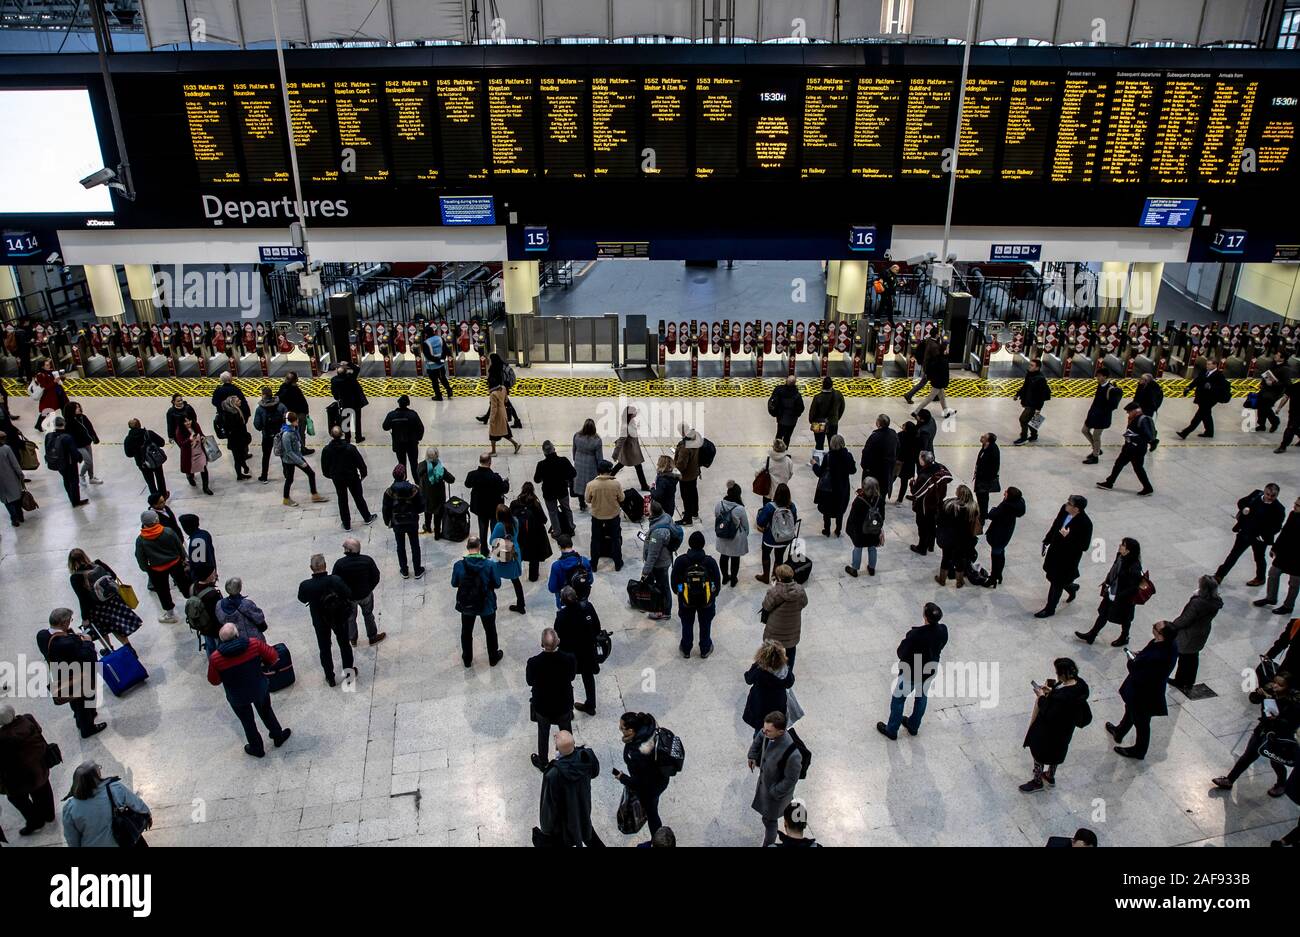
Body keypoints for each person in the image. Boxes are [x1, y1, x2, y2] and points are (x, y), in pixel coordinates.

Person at [207, 623, 292, 758]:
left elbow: (214, 681)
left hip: (237, 696)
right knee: (266, 711)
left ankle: (257, 748)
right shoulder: (254, 644)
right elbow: (274, 657)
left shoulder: (216, 658)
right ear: (237, 634)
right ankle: (277, 735)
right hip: (259, 687)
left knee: (247, 721)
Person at [1212, 671, 1298, 797]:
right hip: (1263, 729)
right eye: (1275, 682)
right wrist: (1258, 694)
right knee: (1248, 756)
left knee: (1276, 761)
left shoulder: (1294, 701)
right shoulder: (1269, 690)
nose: (1274, 686)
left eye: (1280, 685)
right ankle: (1229, 780)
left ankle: (1281, 784)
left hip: (1279, 736)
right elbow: (1254, 700)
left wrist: (1277, 717)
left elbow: (1292, 722)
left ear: (1288, 687)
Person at [1106, 621, 1178, 759]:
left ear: (1161, 634)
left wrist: (1132, 661)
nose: (1153, 627)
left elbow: (1140, 672)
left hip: (1145, 693)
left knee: (1141, 722)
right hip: (1141, 690)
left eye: (1155, 627)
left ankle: (1139, 750)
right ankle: (1120, 731)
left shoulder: (1159, 656)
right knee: (1131, 711)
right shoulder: (1167, 644)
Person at [877, 602, 949, 740]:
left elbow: (901, 652)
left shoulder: (915, 635)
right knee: (922, 697)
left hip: (912, 672)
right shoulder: (943, 630)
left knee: (898, 699)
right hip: (931, 669)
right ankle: (913, 725)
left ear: (925, 616)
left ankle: (892, 730)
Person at [1020, 659, 1091, 793]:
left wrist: (1041, 697)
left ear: (1064, 673)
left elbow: (1049, 712)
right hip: (1064, 732)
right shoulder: (1080, 686)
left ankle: (1037, 781)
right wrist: (1052, 691)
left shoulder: (1063, 698)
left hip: (1048, 733)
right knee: (1056, 755)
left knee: (1039, 754)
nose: (1057, 676)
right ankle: (1050, 775)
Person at [36, 608, 104, 738]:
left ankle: (79, 718)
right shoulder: (69, 643)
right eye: (69, 620)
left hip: (60, 675)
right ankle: (88, 728)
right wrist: (88, 642)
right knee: (86, 700)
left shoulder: (42, 635)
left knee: (74, 700)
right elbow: (90, 657)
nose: (70, 623)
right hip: (79, 675)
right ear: (63, 623)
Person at [296, 553, 355, 687]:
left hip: (319, 620)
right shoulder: (335, 580)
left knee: (324, 648)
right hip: (338, 617)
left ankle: (330, 677)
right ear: (325, 565)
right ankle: (349, 675)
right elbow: (348, 593)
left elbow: (302, 599)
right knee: (344, 645)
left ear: (311, 568)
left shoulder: (306, 585)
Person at [62, 763, 152, 847]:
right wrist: (148, 816)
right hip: (122, 841)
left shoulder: (69, 808)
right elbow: (138, 805)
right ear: (95, 777)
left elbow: (72, 839)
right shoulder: (114, 789)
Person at [537, 729, 602, 847]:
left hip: (564, 818)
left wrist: (545, 829)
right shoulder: (587, 756)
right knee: (587, 830)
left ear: (557, 748)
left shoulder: (553, 774)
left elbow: (549, 803)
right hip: (584, 806)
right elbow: (595, 772)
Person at [748, 711, 803, 847]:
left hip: (775, 797)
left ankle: (768, 845)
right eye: (764, 728)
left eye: (768, 731)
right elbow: (760, 735)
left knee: (770, 822)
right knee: (767, 819)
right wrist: (752, 755)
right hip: (767, 786)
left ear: (780, 732)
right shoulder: (769, 733)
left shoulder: (793, 755)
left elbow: (790, 780)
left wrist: (774, 792)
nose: (764, 732)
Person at [1075, 537, 1143, 646]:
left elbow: (1134, 587)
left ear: (1128, 550)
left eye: (1123, 545)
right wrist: (1108, 582)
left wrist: (1119, 596)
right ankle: (1092, 634)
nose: (1120, 546)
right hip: (1112, 592)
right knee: (1103, 614)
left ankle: (1124, 637)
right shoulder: (1120, 556)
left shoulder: (1134, 567)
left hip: (1123, 598)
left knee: (1125, 619)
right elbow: (1114, 571)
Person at [1035, 495, 1094, 619]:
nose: (1066, 504)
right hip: (1055, 551)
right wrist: (1047, 539)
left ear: (1077, 509)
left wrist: (1068, 537)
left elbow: (1084, 546)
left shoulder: (1086, 523)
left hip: (1067, 559)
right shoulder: (1064, 509)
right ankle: (1071, 587)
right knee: (1052, 577)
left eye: (1070, 503)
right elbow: (1056, 524)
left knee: (1056, 583)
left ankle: (1050, 608)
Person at [0, 705, 56, 836]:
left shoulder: (2, 738)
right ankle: (49, 815)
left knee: (17, 799)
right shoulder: (28, 719)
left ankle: (35, 822)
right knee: (43, 790)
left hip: (17, 779)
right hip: (39, 768)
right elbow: (39, 731)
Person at [526, 628, 576, 770]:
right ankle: (570, 757)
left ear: (542, 644)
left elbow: (529, 681)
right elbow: (572, 677)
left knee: (543, 733)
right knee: (566, 730)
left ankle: (543, 761)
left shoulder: (534, 662)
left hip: (543, 706)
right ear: (558, 641)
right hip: (563, 704)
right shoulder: (569, 659)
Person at [1215, 483, 1285, 586]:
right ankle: (1219, 576)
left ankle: (1260, 578)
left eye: (1273, 496)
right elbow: (1241, 502)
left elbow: (1276, 527)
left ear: (1277, 495)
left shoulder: (1279, 509)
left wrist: (1262, 535)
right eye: (1268, 494)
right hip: (1245, 533)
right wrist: (1244, 508)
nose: (1269, 497)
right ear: (1264, 491)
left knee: (1259, 557)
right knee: (1233, 555)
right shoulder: (1256, 495)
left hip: (1259, 538)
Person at [68, 549, 141, 647]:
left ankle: (108, 648)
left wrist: (85, 618)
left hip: (97, 608)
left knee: (99, 630)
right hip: (113, 601)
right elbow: (113, 577)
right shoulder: (98, 564)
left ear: (71, 563)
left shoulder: (75, 578)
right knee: (116, 627)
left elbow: (83, 599)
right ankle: (128, 647)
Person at [612, 712, 669, 836]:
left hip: (651, 788)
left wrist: (622, 778)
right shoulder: (648, 729)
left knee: (652, 813)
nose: (620, 729)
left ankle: (657, 840)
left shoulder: (636, 754)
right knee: (653, 805)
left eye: (622, 728)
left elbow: (639, 783)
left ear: (631, 730)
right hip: (661, 778)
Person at [451, 537, 504, 668]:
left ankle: (467, 659)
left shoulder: (459, 565)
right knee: (490, 630)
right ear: (479, 547)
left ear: (467, 547)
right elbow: (497, 584)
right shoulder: (490, 565)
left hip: (467, 604)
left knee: (466, 631)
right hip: (486, 603)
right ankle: (493, 657)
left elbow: (454, 583)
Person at [1165, 575, 1223, 691]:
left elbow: (1185, 619)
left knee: (1184, 657)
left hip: (1189, 634)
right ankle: (1189, 681)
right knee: (1193, 657)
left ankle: (1180, 681)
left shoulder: (1198, 603)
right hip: (1202, 632)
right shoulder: (1215, 601)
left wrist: (1172, 625)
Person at [134, 509, 190, 624]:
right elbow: (179, 546)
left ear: (144, 523)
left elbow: (140, 557)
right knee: (184, 583)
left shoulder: (141, 539)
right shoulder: (168, 532)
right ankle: (193, 601)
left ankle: (170, 614)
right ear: (157, 520)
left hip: (156, 569)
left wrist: (146, 569)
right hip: (175, 563)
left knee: (163, 591)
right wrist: (183, 558)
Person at [672, 531, 722, 659]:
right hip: (706, 602)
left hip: (686, 600)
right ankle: (705, 649)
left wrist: (680, 592)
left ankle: (686, 648)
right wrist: (712, 595)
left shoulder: (681, 561)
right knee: (705, 624)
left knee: (687, 624)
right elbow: (717, 583)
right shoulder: (710, 562)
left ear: (689, 543)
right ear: (703, 544)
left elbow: (674, 582)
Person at [554, 585, 600, 715]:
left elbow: (557, 637)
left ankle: (569, 710)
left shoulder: (561, 616)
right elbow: (597, 627)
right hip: (587, 652)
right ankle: (590, 706)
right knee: (588, 678)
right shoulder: (588, 607)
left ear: (562, 601)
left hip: (570, 655)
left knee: (566, 681)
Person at [333, 538, 386, 648]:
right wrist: (369, 588)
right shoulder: (367, 560)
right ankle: (372, 637)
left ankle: (353, 638)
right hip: (366, 595)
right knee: (368, 615)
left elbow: (336, 581)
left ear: (349, 550)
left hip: (349, 598)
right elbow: (376, 577)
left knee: (351, 618)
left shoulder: (340, 564)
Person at [319, 425, 373, 530]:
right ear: (342, 434)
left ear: (331, 435)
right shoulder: (350, 448)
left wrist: (331, 475)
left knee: (342, 500)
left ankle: (347, 524)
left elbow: (324, 468)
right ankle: (367, 517)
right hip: (352, 476)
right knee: (358, 497)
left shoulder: (326, 450)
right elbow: (360, 462)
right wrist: (363, 473)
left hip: (338, 478)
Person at [1255, 494, 1300, 614]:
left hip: (1298, 558)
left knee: (1294, 583)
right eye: (1295, 503)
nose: (1294, 506)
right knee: (1273, 573)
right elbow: (1284, 532)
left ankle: (1288, 606)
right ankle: (1271, 598)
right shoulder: (1293, 514)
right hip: (1285, 553)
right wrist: (1275, 548)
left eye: (1297, 505)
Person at [1096, 405, 1156, 495]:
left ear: (1135, 411)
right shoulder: (1138, 418)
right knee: (1120, 464)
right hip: (1131, 447)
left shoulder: (1142, 420)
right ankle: (1109, 482)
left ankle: (1148, 488)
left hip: (1135, 449)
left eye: (1129, 411)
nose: (1128, 413)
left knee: (1136, 468)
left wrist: (1134, 438)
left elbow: (1148, 436)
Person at [381, 464, 425, 579]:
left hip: (397, 523)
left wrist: (388, 522)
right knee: (415, 545)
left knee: (400, 546)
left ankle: (404, 570)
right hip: (412, 522)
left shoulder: (389, 492)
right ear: (405, 475)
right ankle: (417, 570)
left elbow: (386, 509)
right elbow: (421, 506)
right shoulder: (414, 489)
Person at [761, 564, 808, 672]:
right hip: (792, 627)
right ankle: (788, 673)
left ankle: (771, 671)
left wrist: (772, 589)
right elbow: (804, 603)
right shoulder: (800, 590)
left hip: (775, 628)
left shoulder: (775, 592)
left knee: (771, 649)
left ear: (779, 577)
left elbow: (766, 606)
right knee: (791, 648)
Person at [743, 640, 794, 734]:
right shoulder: (784, 670)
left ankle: (760, 746)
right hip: (778, 706)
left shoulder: (759, 671)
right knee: (776, 729)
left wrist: (754, 666)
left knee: (760, 732)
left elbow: (748, 679)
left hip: (760, 706)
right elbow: (790, 683)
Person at [907, 451, 951, 556]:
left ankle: (922, 547)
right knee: (932, 524)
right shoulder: (940, 467)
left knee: (922, 525)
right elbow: (949, 477)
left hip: (925, 505)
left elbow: (916, 493)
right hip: (937, 502)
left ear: (923, 461)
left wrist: (912, 484)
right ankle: (931, 545)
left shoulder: (924, 476)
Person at [934, 485, 979, 588]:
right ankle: (959, 581)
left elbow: (939, 519)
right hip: (964, 539)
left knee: (946, 557)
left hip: (949, 537)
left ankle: (942, 579)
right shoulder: (973, 508)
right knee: (960, 559)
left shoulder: (949, 505)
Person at [812, 434, 856, 537]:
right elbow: (853, 470)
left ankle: (826, 529)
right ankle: (838, 530)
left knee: (827, 510)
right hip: (842, 488)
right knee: (840, 509)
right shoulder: (848, 456)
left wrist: (814, 464)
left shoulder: (828, 457)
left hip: (828, 489)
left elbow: (820, 473)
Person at [641, 501, 679, 621]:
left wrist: (645, 570)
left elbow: (653, 554)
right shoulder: (666, 517)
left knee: (663, 586)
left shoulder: (658, 533)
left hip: (660, 564)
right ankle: (644, 602)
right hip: (663, 559)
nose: (646, 509)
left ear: (653, 512)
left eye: (648, 508)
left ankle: (665, 611)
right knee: (650, 582)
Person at [279, 413, 326, 507]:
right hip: (290, 460)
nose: (297, 421)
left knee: (311, 473)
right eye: (295, 420)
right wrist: (301, 462)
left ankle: (314, 495)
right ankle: (286, 498)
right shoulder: (286, 435)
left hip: (297, 456)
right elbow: (289, 452)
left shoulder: (293, 429)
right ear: (290, 422)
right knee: (289, 479)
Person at [585, 459, 624, 572]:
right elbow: (622, 498)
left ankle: (594, 564)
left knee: (595, 540)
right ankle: (617, 563)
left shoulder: (591, 484)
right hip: (613, 516)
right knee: (615, 539)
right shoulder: (615, 484)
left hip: (597, 516)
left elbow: (588, 499)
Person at [1177, 358, 1231, 439]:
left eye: (1209, 364)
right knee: (1206, 415)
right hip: (1201, 397)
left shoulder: (1219, 376)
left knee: (1198, 416)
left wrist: (1211, 387)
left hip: (1210, 400)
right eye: (1207, 364)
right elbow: (1197, 380)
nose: (1207, 366)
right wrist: (1189, 387)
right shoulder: (1204, 371)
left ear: (1215, 365)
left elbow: (1221, 388)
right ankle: (1209, 432)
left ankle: (1185, 432)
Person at [755, 483, 798, 583]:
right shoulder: (792, 506)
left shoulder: (770, 507)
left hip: (770, 538)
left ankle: (765, 577)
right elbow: (794, 521)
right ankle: (775, 577)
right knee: (779, 558)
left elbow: (760, 522)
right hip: (785, 538)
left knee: (766, 555)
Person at [465, 452, 509, 549]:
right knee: (494, 529)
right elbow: (504, 489)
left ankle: (484, 549)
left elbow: (467, 484)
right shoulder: (495, 477)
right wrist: (506, 482)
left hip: (480, 508)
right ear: (490, 462)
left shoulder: (472, 475)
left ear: (480, 461)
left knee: (482, 529)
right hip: (493, 508)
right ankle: (495, 548)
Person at [984, 487, 1025, 588]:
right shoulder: (1018, 504)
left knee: (996, 556)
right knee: (1001, 553)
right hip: (1006, 533)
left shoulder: (1006, 507)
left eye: (1006, 493)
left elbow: (991, 515)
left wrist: (994, 508)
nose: (1004, 493)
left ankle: (993, 578)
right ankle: (998, 574)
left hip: (998, 535)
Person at [489, 503, 527, 614]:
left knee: (492, 579)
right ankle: (521, 605)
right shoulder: (515, 520)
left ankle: (492, 604)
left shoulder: (500, 526)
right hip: (515, 553)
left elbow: (492, 541)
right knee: (516, 580)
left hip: (503, 554)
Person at [511, 482, 553, 581]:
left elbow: (510, 517)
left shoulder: (514, 504)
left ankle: (514, 573)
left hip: (520, 534)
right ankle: (533, 576)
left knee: (519, 553)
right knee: (534, 556)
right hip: (535, 535)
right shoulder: (535, 504)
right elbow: (544, 519)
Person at [534, 440, 577, 537]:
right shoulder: (563, 461)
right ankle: (571, 528)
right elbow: (573, 473)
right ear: (554, 449)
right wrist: (565, 478)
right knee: (566, 509)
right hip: (562, 489)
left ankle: (557, 531)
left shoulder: (541, 464)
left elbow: (536, 479)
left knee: (552, 512)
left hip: (549, 492)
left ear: (544, 452)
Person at [845, 478, 885, 578]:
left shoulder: (859, 500)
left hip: (860, 531)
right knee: (872, 548)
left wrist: (850, 529)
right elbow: (882, 516)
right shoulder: (880, 499)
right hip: (874, 529)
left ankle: (854, 569)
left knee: (857, 548)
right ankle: (872, 568)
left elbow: (853, 518)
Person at [1080, 373, 1122, 466]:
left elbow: (1112, 406)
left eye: (1099, 376)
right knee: (1084, 430)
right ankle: (1097, 449)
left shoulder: (1110, 390)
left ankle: (1095, 456)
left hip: (1102, 418)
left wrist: (1101, 412)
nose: (1097, 378)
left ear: (1105, 377)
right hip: (1093, 415)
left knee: (1096, 437)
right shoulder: (1100, 385)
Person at [714, 481, 750, 587]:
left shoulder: (719, 504)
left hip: (722, 535)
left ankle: (725, 577)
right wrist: (744, 535)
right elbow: (745, 526)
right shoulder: (739, 509)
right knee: (735, 558)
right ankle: (734, 579)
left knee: (723, 556)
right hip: (735, 538)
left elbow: (717, 516)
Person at [381, 394, 425, 480]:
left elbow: (385, 427)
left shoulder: (392, 415)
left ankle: (403, 481)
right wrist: (417, 438)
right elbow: (421, 428)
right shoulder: (413, 415)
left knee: (401, 464)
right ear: (408, 403)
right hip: (412, 444)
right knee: (414, 464)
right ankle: (417, 482)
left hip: (398, 444)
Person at [44, 416, 85, 507]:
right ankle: (76, 501)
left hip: (57, 463)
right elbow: (74, 451)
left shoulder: (49, 435)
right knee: (74, 481)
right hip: (69, 464)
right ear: (64, 424)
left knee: (66, 480)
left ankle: (71, 498)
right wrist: (79, 458)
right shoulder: (67, 437)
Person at [416, 446, 456, 538]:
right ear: (437, 455)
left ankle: (428, 527)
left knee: (427, 511)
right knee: (438, 514)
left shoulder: (421, 466)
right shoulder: (440, 469)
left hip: (426, 494)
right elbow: (451, 479)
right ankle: (437, 533)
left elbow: (418, 475)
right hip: (438, 496)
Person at [477, 352, 522, 428]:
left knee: (507, 404)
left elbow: (493, 380)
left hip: (499, 389)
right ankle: (486, 418)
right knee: (495, 403)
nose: (489, 360)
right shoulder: (501, 365)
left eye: (490, 359)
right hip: (502, 389)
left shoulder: (495, 368)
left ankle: (517, 421)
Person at [62, 401, 102, 487]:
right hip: (78, 445)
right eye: (76, 408)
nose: (79, 408)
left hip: (87, 442)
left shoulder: (83, 417)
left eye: (79, 407)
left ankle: (91, 478)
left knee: (91, 462)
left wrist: (94, 438)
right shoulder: (68, 422)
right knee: (88, 461)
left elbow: (90, 428)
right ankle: (82, 475)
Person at [548, 535, 594, 609]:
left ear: (559, 547)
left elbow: (552, 588)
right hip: (582, 599)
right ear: (571, 544)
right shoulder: (584, 561)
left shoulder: (556, 566)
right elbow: (590, 580)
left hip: (564, 602)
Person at [215, 577, 268, 641]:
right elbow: (259, 618)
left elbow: (220, 620)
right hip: (252, 640)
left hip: (233, 641)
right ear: (240, 588)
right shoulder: (246, 604)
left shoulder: (219, 604)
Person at [910, 343, 955, 420]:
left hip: (937, 381)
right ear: (944, 350)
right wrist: (945, 383)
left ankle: (946, 412)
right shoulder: (943, 360)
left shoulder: (938, 358)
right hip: (939, 382)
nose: (948, 349)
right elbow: (944, 373)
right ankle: (916, 412)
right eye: (947, 348)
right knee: (930, 398)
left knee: (942, 397)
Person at [253, 387, 287, 483]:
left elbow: (257, 425)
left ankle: (264, 476)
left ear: (263, 395)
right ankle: (287, 473)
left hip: (267, 435)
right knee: (283, 454)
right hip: (280, 434)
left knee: (266, 456)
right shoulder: (281, 406)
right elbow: (287, 418)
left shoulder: (260, 409)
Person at [1013, 357, 1050, 445]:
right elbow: (1025, 386)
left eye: (1032, 365)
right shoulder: (1030, 374)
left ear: (1037, 367)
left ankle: (1023, 437)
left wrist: (1038, 408)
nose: (1029, 366)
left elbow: (1042, 395)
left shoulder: (1040, 379)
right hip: (1028, 400)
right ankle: (1034, 435)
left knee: (1023, 419)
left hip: (1033, 404)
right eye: (1030, 365)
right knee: (1031, 420)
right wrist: (1017, 394)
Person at [611, 405, 649, 490]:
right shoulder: (625, 427)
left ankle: (609, 478)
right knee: (636, 467)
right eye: (634, 412)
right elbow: (621, 441)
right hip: (630, 451)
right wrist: (615, 454)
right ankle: (644, 486)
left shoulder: (630, 421)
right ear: (630, 415)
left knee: (621, 465)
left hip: (632, 449)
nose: (636, 413)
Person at [672, 423, 703, 526]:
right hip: (695, 471)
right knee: (693, 493)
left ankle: (687, 519)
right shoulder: (696, 437)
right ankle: (694, 512)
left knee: (686, 497)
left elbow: (681, 465)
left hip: (686, 476)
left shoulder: (685, 447)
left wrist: (674, 471)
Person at [328, 361, 367, 442]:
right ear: (346, 372)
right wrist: (347, 364)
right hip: (356, 402)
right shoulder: (350, 378)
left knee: (346, 420)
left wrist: (337, 398)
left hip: (345, 403)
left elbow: (334, 392)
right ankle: (358, 437)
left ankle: (347, 437)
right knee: (357, 420)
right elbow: (357, 369)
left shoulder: (334, 380)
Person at [860, 413, 898, 497]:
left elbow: (866, 453)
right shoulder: (893, 434)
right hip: (887, 469)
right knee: (882, 493)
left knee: (871, 493)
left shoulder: (875, 437)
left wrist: (865, 467)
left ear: (878, 423)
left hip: (875, 470)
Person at [175, 413, 213, 495]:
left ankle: (205, 487)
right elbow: (181, 444)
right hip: (189, 454)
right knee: (190, 469)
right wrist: (189, 439)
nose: (188, 423)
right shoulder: (179, 431)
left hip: (199, 451)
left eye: (189, 420)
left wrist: (202, 437)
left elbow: (201, 433)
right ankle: (189, 477)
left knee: (204, 468)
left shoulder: (195, 425)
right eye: (185, 422)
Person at [275, 370, 312, 453]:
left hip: (289, 415)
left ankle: (293, 448)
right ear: (295, 380)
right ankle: (302, 449)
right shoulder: (294, 390)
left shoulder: (282, 388)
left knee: (291, 432)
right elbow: (301, 402)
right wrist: (306, 412)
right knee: (300, 433)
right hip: (298, 414)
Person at [571, 419, 603, 513]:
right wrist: (600, 468)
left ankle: (581, 504)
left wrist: (575, 460)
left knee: (580, 483)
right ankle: (594, 503)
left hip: (579, 462)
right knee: (592, 484)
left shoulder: (577, 436)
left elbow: (574, 450)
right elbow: (599, 457)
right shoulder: (597, 440)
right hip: (591, 465)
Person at [218, 395, 253, 481]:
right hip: (237, 440)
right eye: (237, 401)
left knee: (238, 457)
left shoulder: (231, 412)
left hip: (235, 440)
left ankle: (243, 470)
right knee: (238, 458)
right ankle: (240, 474)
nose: (240, 401)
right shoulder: (233, 415)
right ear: (233, 404)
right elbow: (237, 429)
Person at [808, 376, 846, 452]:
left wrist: (811, 421)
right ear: (832, 385)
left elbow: (812, 412)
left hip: (818, 423)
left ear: (823, 385)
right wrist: (836, 418)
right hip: (832, 422)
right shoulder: (838, 395)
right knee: (832, 444)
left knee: (819, 444)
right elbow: (842, 407)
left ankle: (819, 461)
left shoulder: (817, 397)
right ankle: (832, 460)